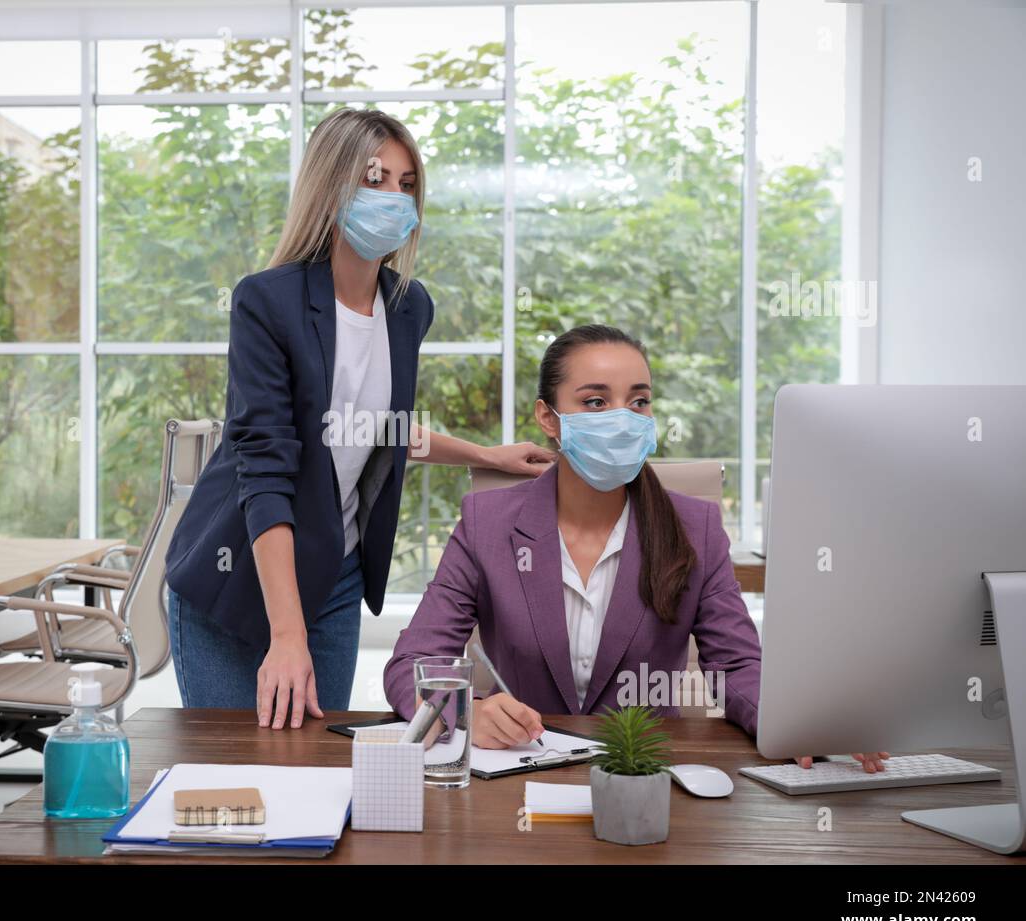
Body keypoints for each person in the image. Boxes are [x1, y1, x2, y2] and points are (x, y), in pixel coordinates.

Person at [164, 108, 554, 730]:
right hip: (237, 576)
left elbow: (374, 430)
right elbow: (266, 469)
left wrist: (486, 456)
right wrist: (286, 638)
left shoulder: (408, 307)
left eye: (406, 184)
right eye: (374, 179)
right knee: (235, 775)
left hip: (333, 575)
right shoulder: (267, 301)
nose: (393, 199)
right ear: (333, 184)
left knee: (317, 761)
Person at [384, 323, 889, 774]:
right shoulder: (488, 523)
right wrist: (463, 710)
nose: (622, 418)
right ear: (549, 417)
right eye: (596, 402)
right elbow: (414, 661)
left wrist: (796, 722)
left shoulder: (697, 528)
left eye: (639, 401)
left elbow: (736, 667)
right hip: (520, 780)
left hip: (644, 778)